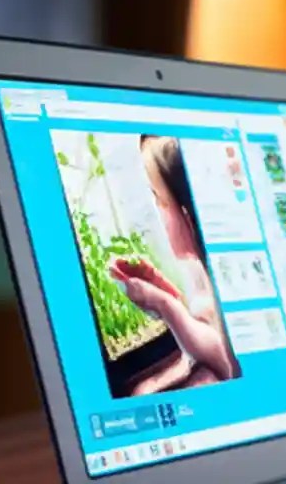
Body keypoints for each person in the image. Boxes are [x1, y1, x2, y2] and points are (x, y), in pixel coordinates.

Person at [109, 135, 240, 385]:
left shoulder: (209, 271)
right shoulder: (187, 268)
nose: (147, 214)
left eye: (156, 199)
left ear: (187, 214)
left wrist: (165, 305)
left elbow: (223, 361)